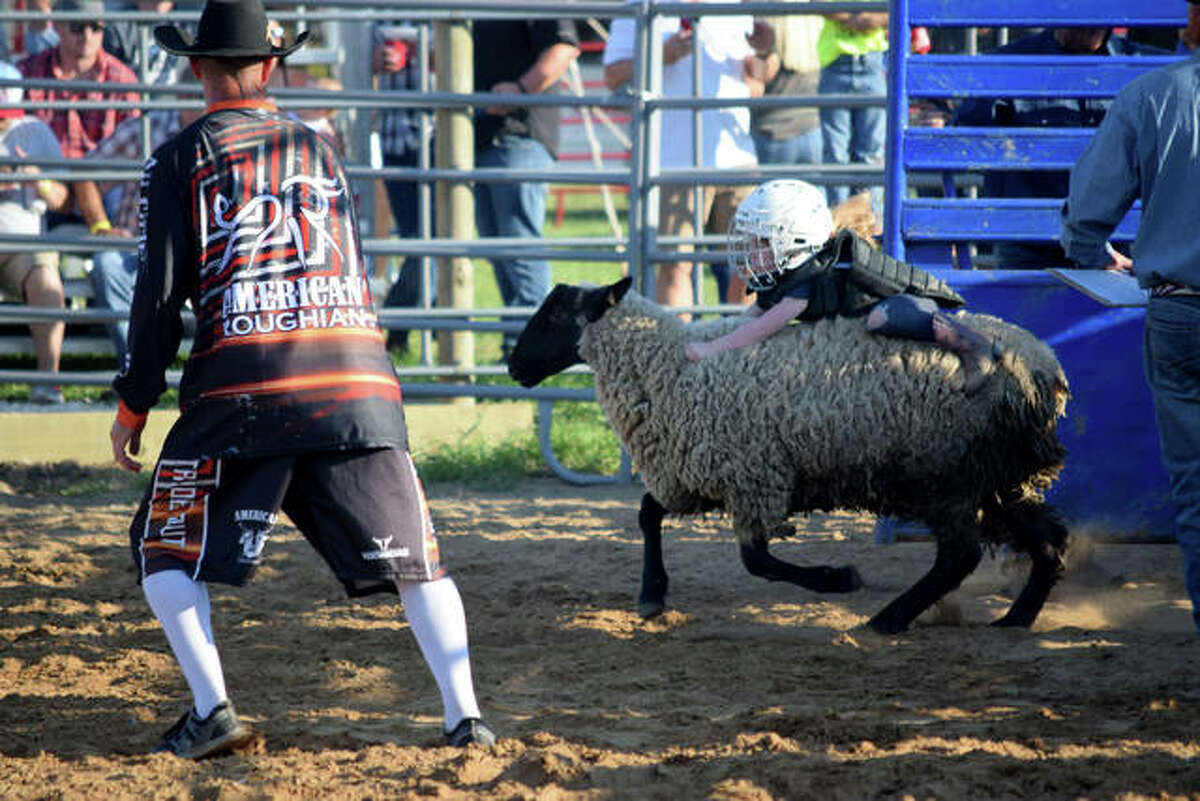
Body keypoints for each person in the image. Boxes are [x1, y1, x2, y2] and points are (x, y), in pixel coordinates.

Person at [108, 0, 495, 757]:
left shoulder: (181, 157)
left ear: (197, 68)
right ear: (272, 65)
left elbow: (155, 300)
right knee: (420, 560)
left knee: (163, 544)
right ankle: (466, 716)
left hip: (243, 387)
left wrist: (132, 403)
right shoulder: (321, 150)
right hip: (356, 378)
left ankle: (212, 707)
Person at [1060, 0, 1200, 635]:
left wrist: (1095, 253)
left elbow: (1086, 214)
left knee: (1197, 491)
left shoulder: (1150, 96)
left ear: (1193, 26)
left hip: (1182, 310)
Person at [684, 179, 1000, 395]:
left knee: (881, 318)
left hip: (895, 302)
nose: (753, 253)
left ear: (794, 240)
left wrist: (713, 349)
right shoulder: (784, 276)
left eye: (763, 243)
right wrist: (710, 336)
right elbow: (748, 319)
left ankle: (972, 344)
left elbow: (760, 329)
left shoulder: (804, 282)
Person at [955, 27, 1168, 269]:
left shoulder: (1146, 67)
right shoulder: (1010, 64)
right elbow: (962, 144)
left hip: (1122, 246)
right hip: (1031, 248)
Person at [603, 2, 761, 307]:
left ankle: (740, 351)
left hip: (737, 157)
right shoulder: (641, 5)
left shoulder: (732, 6)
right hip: (672, 161)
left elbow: (756, 84)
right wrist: (661, 53)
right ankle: (676, 352)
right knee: (675, 266)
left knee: (750, 267)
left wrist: (763, 58)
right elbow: (612, 74)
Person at [473, 16, 580, 357]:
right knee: (498, 245)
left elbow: (563, 47)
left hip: (520, 132)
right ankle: (518, 342)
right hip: (486, 135)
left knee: (518, 246)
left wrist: (521, 89)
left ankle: (538, 344)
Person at [75, 105, 201, 365]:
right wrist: (101, 227)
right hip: (137, 244)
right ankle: (139, 367)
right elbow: (86, 173)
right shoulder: (144, 127)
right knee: (108, 264)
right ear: (183, 96)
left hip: (202, 250)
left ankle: (212, 374)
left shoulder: (228, 129)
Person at [0, 60, 72, 404]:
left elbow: (62, 198)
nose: (4, 120)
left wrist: (35, 178)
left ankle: (48, 383)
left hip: (25, 243)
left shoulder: (35, 131)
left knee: (47, 281)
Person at [371, 20, 433, 354]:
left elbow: (464, 55)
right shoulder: (383, 14)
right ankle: (405, 321)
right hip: (396, 139)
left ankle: (397, 317)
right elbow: (360, 63)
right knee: (419, 242)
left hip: (439, 137)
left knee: (432, 241)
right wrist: (375, 60)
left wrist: (424, 53)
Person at [815, 0, 888, 222]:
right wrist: (863, 19)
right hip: (838, 63)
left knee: (870, 154)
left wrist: (851, 16)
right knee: (837, 155)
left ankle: (867, 227)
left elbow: (892, 10)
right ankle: (838, 229)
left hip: (870, 63)